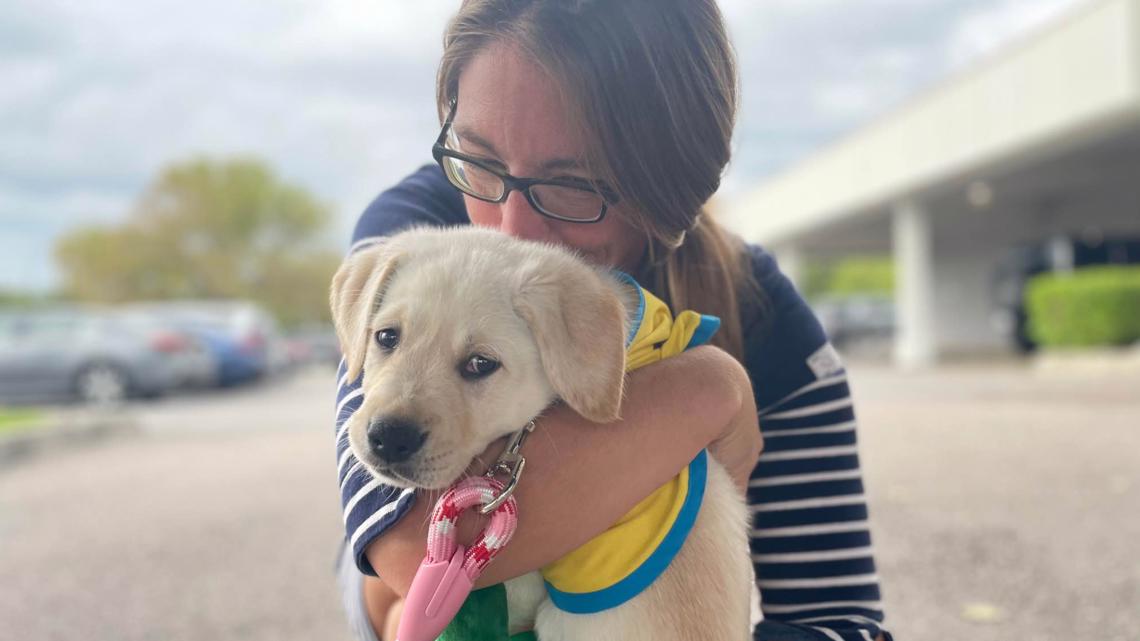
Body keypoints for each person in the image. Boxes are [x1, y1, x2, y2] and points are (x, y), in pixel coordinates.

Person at [333, 1, 892, 640]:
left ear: (674, 185)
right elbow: (407, 550)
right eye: (478, 156)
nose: (514, 229)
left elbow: (840, 619)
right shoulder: (415, 238)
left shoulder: (762, 317)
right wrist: (708, 389)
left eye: (575, 183)